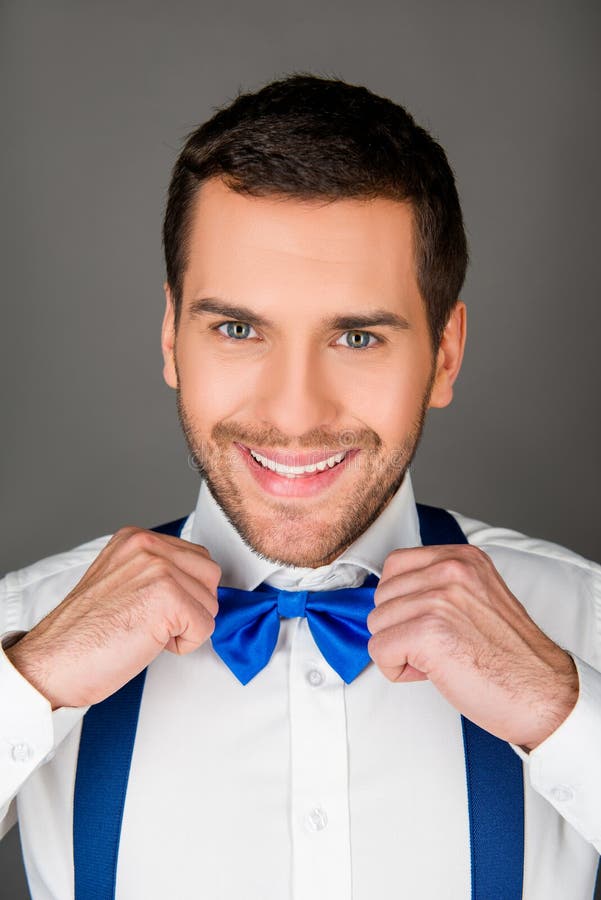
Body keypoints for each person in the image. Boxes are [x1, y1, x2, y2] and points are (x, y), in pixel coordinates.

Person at [1, 73, 600, 900]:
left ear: (445, 354)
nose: (293, 412)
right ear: (172, 338)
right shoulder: (26, 628)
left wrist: (566, 715)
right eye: (238, 329)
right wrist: (29, 684)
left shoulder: (584, 623)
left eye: (356, 336)